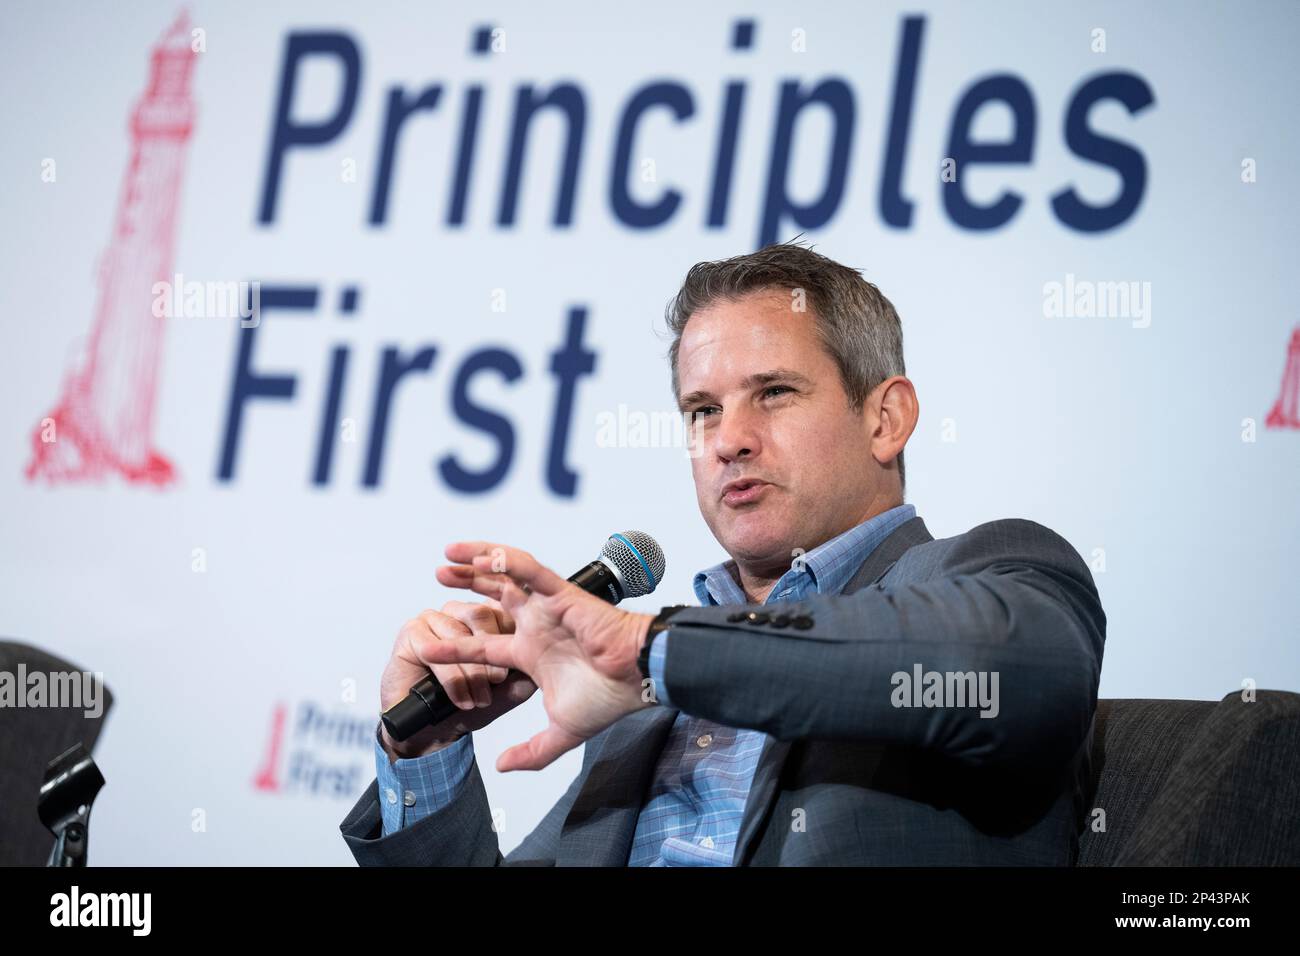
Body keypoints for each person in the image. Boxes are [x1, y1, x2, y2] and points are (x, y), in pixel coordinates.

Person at [339, 241, 1106, 865]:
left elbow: (1018, 674)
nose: (728, 439)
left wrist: (654, 650)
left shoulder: (984, 573)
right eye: (702, 409)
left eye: (773, 392)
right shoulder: (627, 702)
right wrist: (425, 750)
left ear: (886, 418)